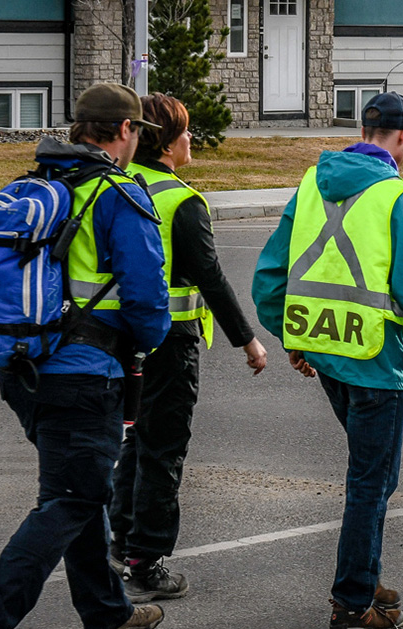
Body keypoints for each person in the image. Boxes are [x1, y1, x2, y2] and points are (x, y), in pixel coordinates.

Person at [0, 82, 169, 629]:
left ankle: (106, 614)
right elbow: (148, 297)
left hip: (22, 369)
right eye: (135, 133)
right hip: (84, 374)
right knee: (74, 496)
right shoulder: (116, 194)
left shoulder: (33, 187)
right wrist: (148, 343)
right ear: (124, 131)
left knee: (76, 491)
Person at [251, 92, 403, 629]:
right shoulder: (398, 198)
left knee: (373, 475)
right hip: (374, 360)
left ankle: (363, 573)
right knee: (371, 483)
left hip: (328, 358)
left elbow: (270, 278)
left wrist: (292, 337)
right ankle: (352, 604)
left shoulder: (311, 182)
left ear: (363, 127)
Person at [109, 93, 272, 601]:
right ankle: (147, 561)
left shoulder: (119, 187)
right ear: (169, 141)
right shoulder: (183, 202)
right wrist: (248, 341)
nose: (191, 140)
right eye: (186, 132)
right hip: (171, 343)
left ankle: (121, 541)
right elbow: (213, 280)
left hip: (120, 340)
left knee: (136, 441)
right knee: (163, 450)